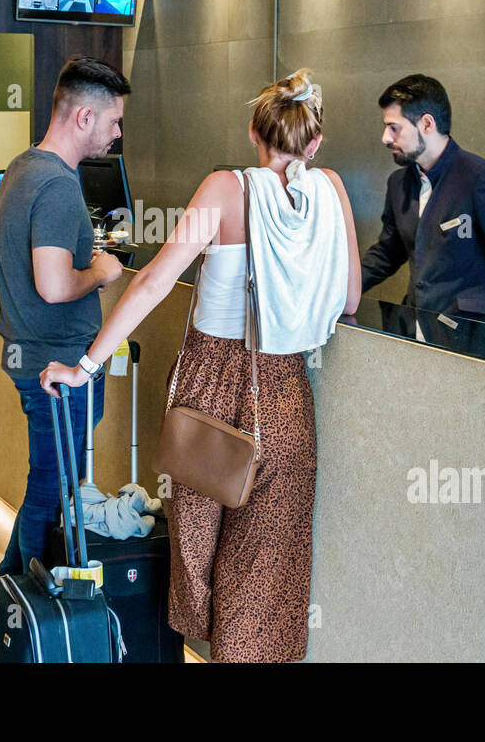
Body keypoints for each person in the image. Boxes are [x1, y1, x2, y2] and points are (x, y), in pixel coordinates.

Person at [42, 69, 362, 662]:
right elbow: (349, 299)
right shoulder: (332, 189)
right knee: (266, 572)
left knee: (196, 554)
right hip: (284, 394)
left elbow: (153, 283)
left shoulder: (224, 188)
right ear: (315, 142)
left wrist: (85, 366)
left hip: (209, 389)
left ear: (253, 132)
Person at [0, 55, 130, 646]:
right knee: (51, 489)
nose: (117, 134)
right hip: (58, 366)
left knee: (49, 482)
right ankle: (20, 619)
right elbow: (52, 283)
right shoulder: (61, 185)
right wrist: (102, 271)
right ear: (84, 116)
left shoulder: (23, 167)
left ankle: (7, 609)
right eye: (114, 121)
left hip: (30, 355)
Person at [361, 74, 485, 321]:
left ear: (427, 124)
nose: (385, 138)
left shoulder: (481, 180)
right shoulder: (398, 184)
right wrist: (339, 293)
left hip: (470, 336)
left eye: (394, 128)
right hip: (413, 328)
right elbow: (387, 252)